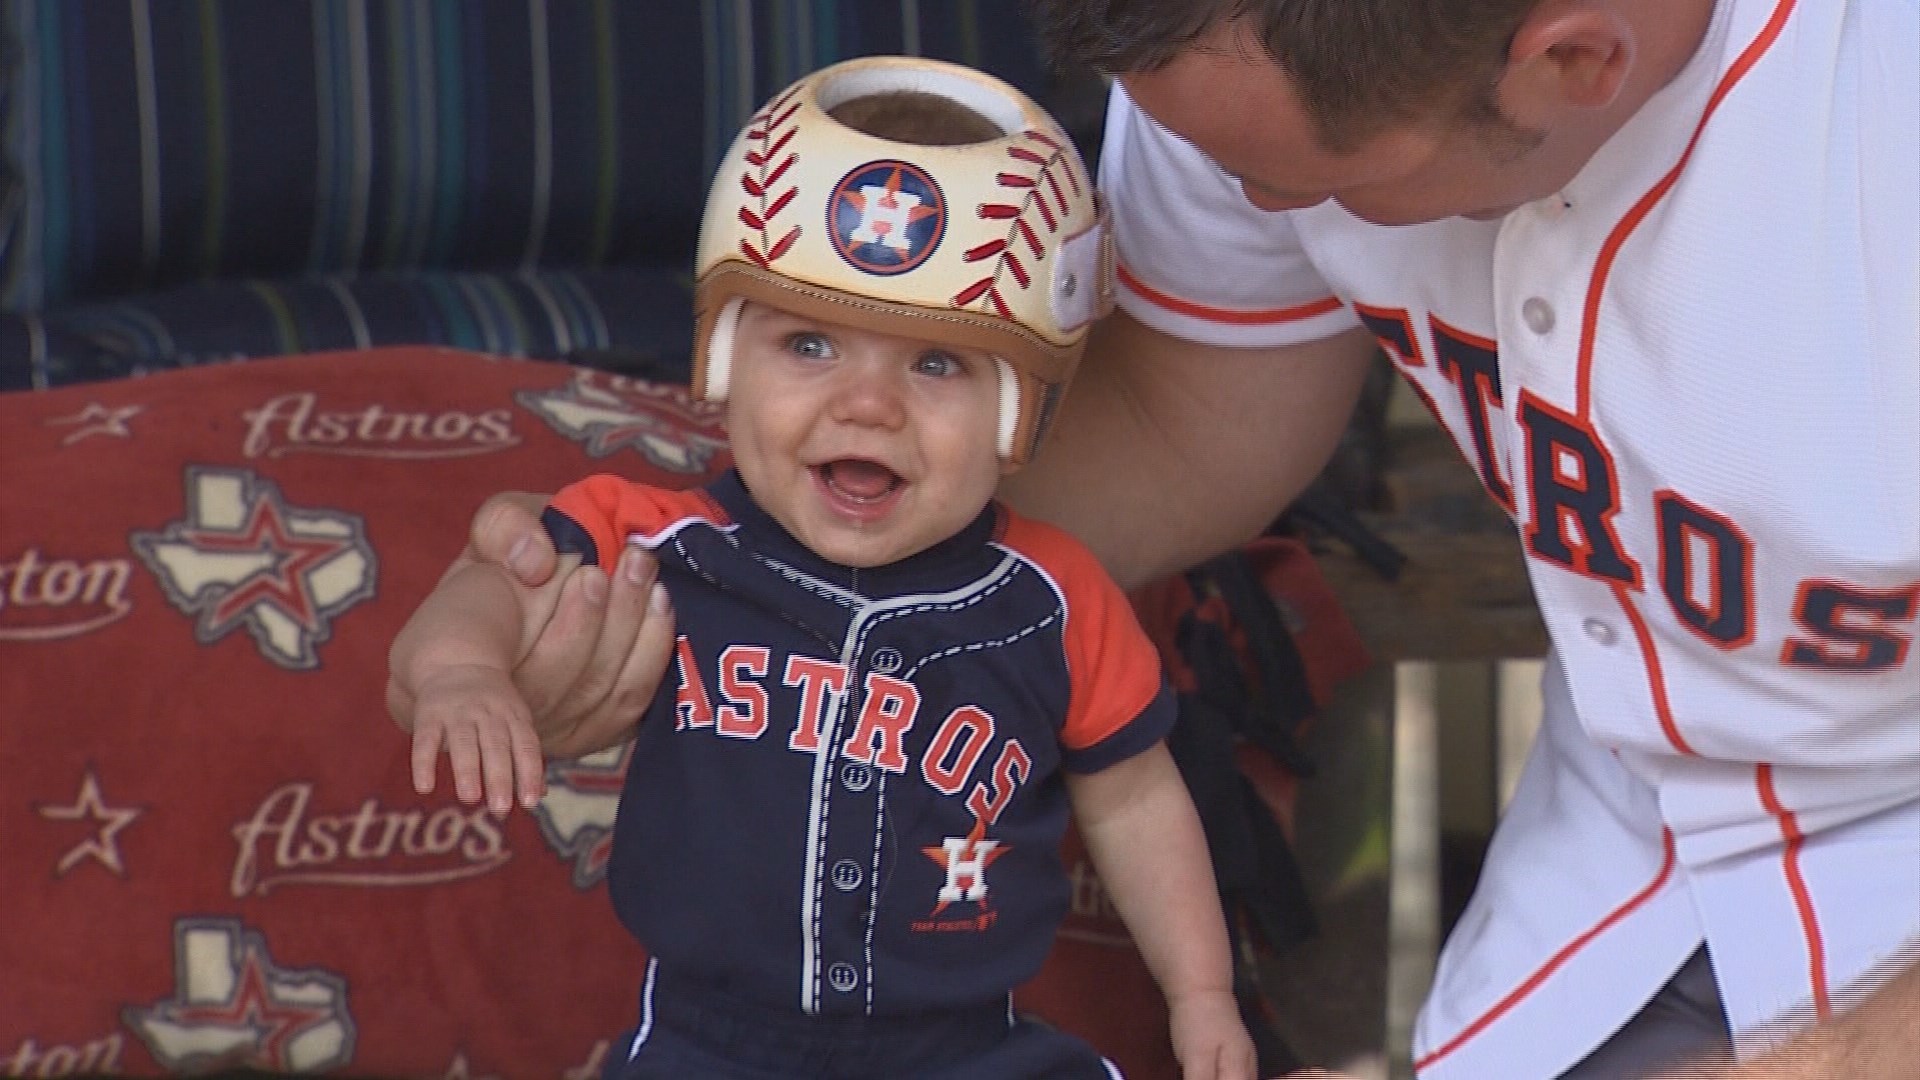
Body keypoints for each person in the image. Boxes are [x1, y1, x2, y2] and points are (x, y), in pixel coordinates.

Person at [394, 2, 1920, 1077]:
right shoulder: (1267, 45)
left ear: (1573, 52)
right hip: (1630, 857)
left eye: (1299, 182)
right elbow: (1190, 420)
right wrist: (703, 594)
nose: (1256, 203)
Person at [388, 56, 1258, 1080]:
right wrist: (461, 669)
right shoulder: (670, 543)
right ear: (720, 361)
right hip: (708, 1046)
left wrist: (1201, 993)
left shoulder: (1050, 602)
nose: (868, 405)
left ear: (1024, 412)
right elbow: (494, 579)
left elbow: (1136, 801)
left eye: (937, 363)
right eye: (808, 345)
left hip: (970, 1050)